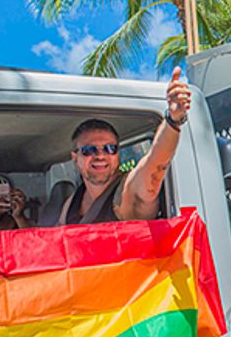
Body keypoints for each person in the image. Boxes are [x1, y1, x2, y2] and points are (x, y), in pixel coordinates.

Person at [50, 69, 192, 225]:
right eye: (89, 150)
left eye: (109, 149)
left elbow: (154, 165)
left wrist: (173, 120)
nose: (100, 156)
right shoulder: (72, 202)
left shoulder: (126, 194)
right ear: (75, 158)